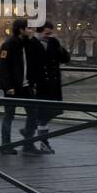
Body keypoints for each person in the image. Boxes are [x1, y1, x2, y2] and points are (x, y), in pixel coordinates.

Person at [0, 18, 44, 155]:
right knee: (9, 115)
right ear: (21, 29)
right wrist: (7, 86)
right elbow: (3, 67)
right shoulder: (8, 44)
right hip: (12, 87)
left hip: (26, 86)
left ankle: (28, 144)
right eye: (29, 28)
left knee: (34, 113)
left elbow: (40, 52)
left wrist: (33, 38)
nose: (32, 30)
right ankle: (5, 144)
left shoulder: (28, 43)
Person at [34, 21, 70, 153]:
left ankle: (32, 129)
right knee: (43, 114)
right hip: (40, 84)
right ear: (39, 32)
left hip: (53, 84)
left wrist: (59, 46)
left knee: (54, 111)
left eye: (51, 32)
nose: (49, 35)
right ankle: (43, 142)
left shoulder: (54, 43)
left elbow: (66, 59)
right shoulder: (33, 44)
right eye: (46, 32)